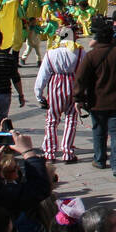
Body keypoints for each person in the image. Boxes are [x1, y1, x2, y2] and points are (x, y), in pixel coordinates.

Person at [74, 17, 116, 179]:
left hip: (96, 101)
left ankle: (100, 159)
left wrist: (78, 98)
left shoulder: (91, 56)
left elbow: (80, 78)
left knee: (99, 131)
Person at [35, 26, 83, 163]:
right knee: (71, 119)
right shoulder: (79, 51)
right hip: (73, 84)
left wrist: (39, 94)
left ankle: (50, 152)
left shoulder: (51, 52)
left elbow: (43, 75)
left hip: (55, 85)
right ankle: (67, 152)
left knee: (52, 120)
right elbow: (85, 71)